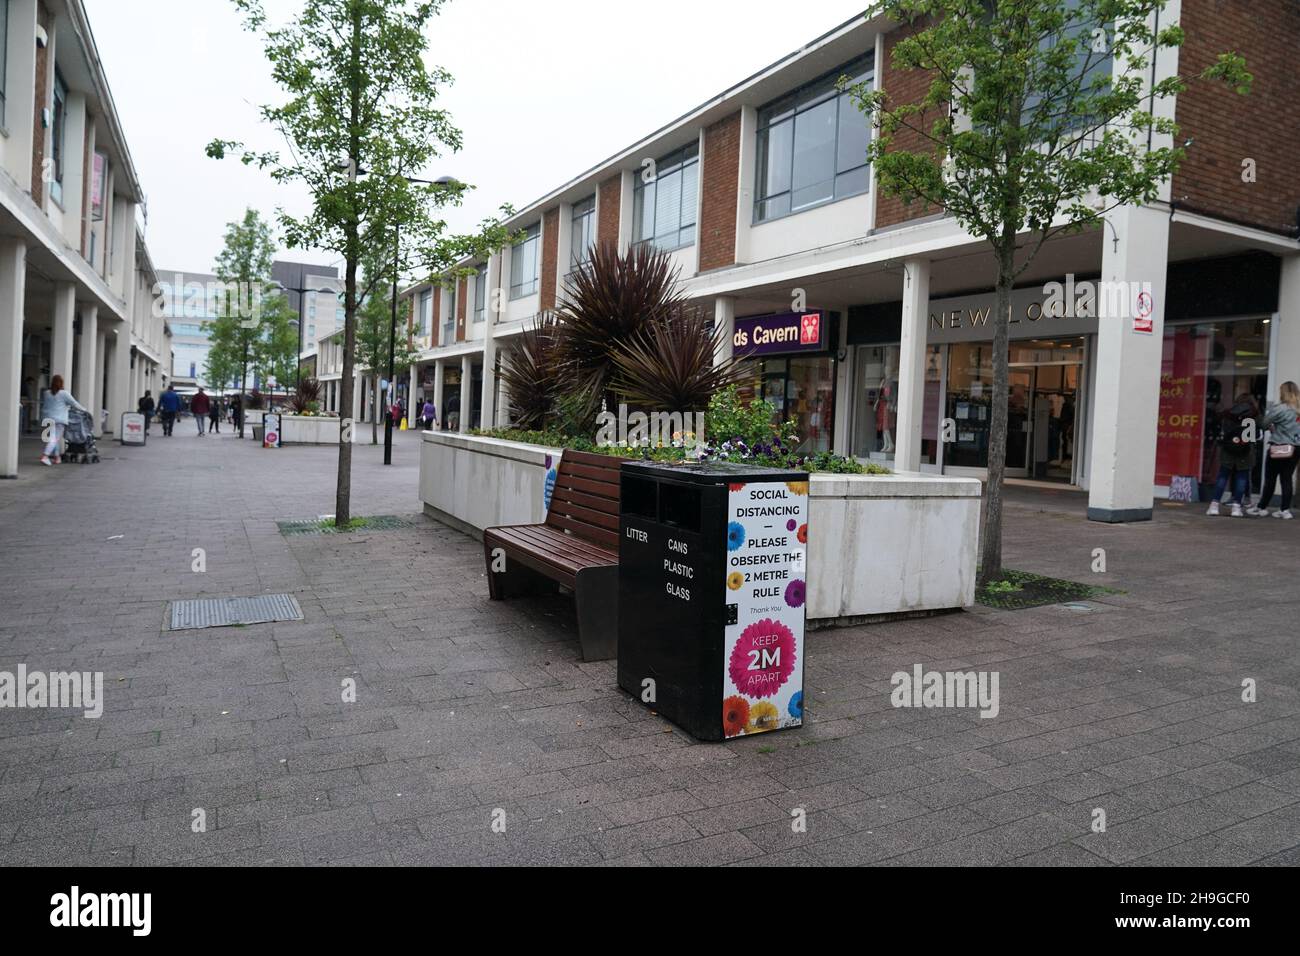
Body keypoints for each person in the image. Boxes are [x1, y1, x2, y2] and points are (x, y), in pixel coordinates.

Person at [1248, 380, 1300, 520]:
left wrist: (1272, 427)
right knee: (1287, 478)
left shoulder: (1280, 409)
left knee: (1270, 478)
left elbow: (1264, 424)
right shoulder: (1298, 409)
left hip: (1280, 447)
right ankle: (1285, 510)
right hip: (1296, 448)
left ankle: (1261, 507)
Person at [1207, 394, 1260, 517]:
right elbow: (1260, 429)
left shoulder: (1229, 413)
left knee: (1222, 477)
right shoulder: (1254, 414)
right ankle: (1236, 508)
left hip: (1228, 449)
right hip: (1246, 450)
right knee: (1241, 478)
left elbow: (1223, 431)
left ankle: (1214, 506)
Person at [39, 375, 87, 466]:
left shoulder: (46, 393)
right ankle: (45, 456)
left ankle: (57, 458)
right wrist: (84, 410)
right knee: (54, 439)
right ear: (61, 383)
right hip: (59, 420)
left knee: (53, 438)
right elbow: (74, 403)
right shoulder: (64, 393)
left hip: (47, 419)